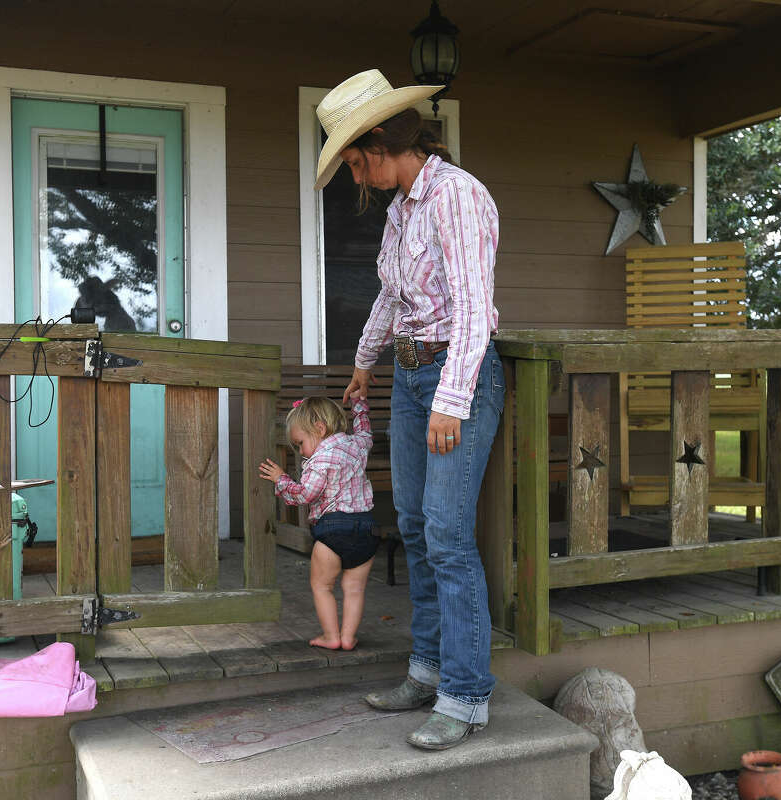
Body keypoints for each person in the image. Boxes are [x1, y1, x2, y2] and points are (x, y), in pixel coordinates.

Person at [314, 68, 505, 751]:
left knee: (451, 539)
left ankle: (466, 695)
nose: (355, 177)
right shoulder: (401, 210)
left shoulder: (457, 196)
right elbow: (392, 300)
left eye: (355, 161)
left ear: (376, 142)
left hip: (460, 376)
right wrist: (365, 363)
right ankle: (426, 671)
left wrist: (452, 400)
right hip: (410, 375)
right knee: (419, 530)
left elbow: (475, 311)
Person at [259, 395, 377, 651]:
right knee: (354, 588)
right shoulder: (358, 445)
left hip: (333, 530)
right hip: (366, 529)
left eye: (300, 443)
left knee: (322, 585)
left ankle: (331, 636)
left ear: (320, 429)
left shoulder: (320, 459)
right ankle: (348, 637)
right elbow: (365, 431)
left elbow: (305, 495)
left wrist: (281, 479)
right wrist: (359, 404)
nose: (300, 451)